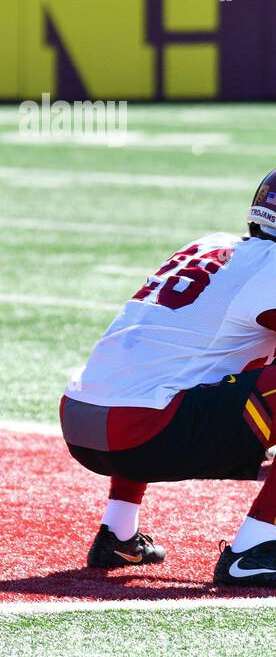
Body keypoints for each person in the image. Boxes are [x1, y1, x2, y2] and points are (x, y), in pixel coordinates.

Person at [63, 167, 276, 586]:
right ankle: (254, 548)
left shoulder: (212, 245)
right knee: (166, 384)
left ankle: (119, 532)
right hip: (140, 430)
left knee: (166, 374)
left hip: (81, 419)